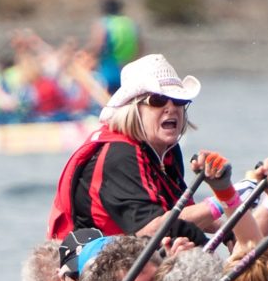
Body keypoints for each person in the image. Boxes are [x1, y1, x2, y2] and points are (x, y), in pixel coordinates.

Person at [47, 53, 219, 240]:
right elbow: (153, 229)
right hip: (100, 263)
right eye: (157, 100)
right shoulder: (120, 155)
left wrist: (233, 224)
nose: (171, 108)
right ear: (133, 109)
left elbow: (184, 212)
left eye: (178, 100)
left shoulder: (166, 149)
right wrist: (226, 199)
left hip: (139, 254)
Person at [87, 0, 142, 95]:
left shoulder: (105, 23)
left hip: (109, 67)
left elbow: (98, 45)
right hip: (128, 67)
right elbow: (140, 46)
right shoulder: (129, 23)